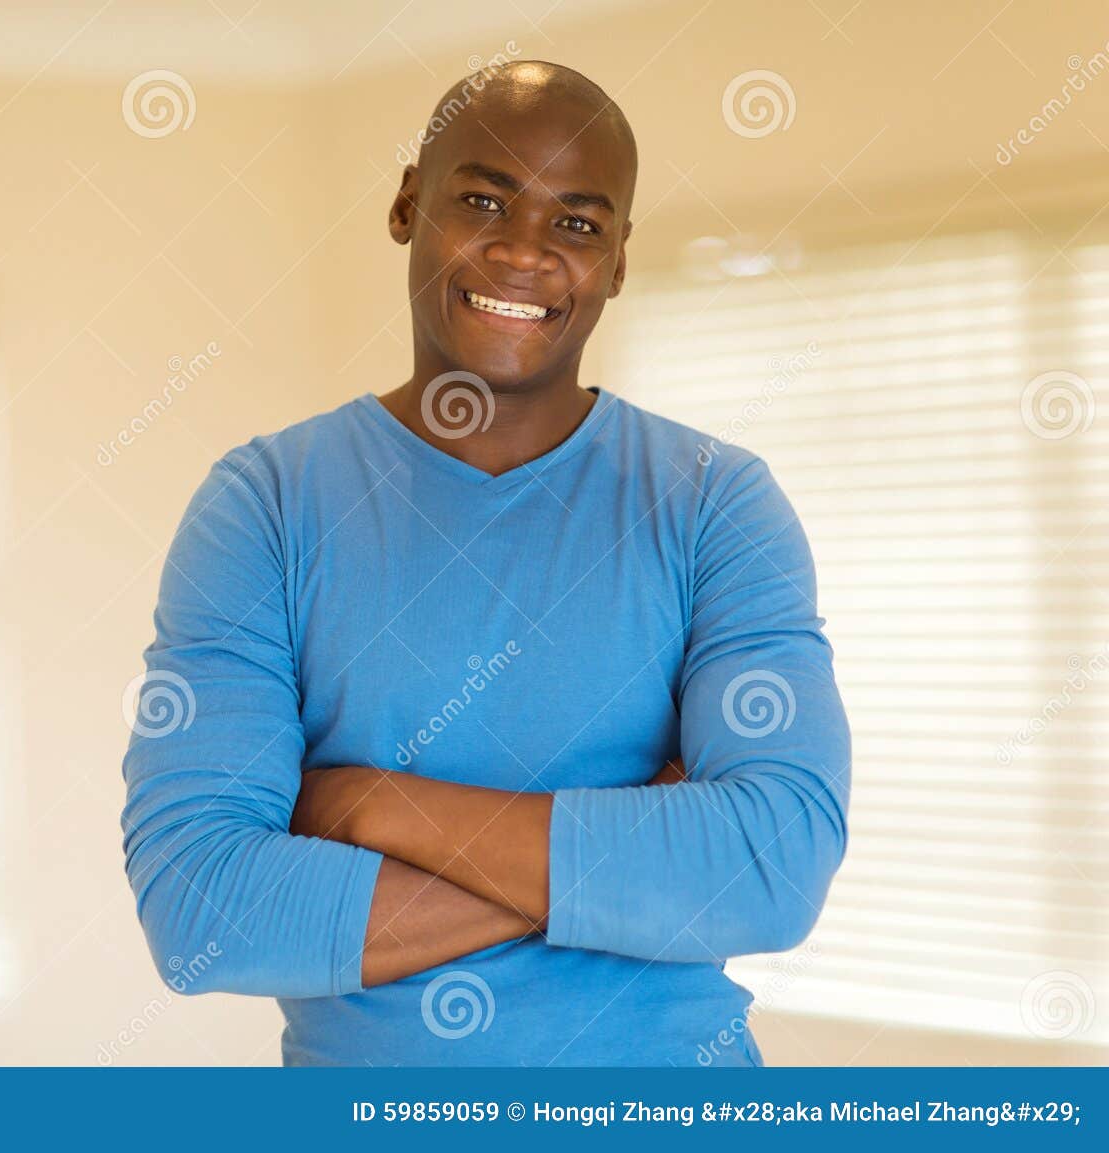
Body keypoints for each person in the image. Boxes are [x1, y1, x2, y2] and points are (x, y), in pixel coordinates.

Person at [118, 60, 850, 1066]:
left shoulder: (714, 501)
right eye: (481, 200)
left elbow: (772, 864)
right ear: (406, 204)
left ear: (619, 260)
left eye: (577, 223)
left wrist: (376, 806)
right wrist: (627, 857)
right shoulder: (266, 505)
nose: (523, 252)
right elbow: (201, 912)